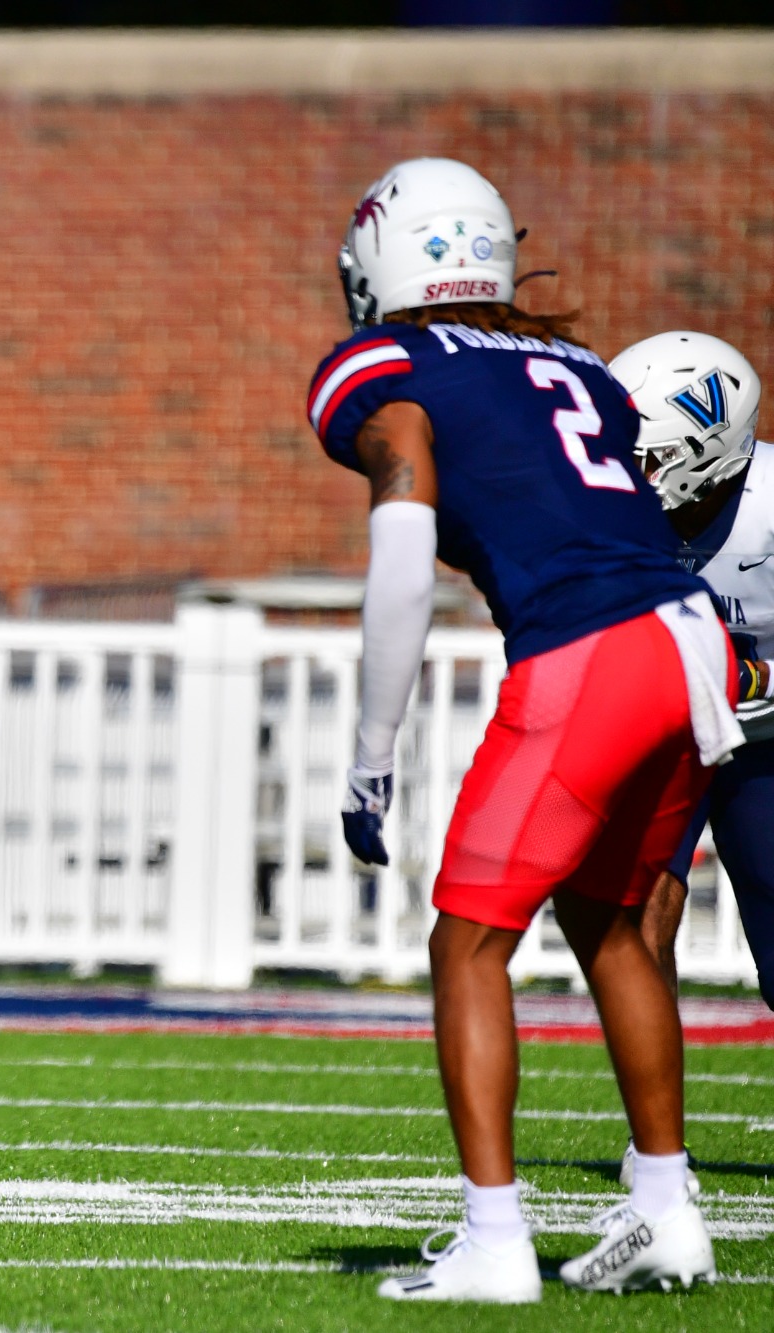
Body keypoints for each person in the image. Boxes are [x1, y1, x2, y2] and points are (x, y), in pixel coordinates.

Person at [312, 158, 738, 1301]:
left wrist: (368, 754)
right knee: (608, 927)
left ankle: (493, 1241)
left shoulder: (382, 361)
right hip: (688, 634)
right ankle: (666, 1212)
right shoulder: (578, 365)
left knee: (467, 939)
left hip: (588, 644)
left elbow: (402, 556)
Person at [609, 333, 774, 1011]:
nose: (624, 469)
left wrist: (751, 682)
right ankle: (650, 1119)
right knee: (640, 913)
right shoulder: (615, 515)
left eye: (645, 454)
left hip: (763, 743)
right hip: (666, 732)